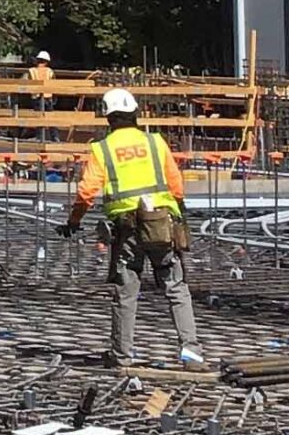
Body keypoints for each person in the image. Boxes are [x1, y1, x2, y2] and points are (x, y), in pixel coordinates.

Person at [61, 89, 202, 368]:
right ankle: (192, 353)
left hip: (127, 231)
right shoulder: (155, 142)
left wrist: (73, 222)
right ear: (135, 114)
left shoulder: (102, 149)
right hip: (161, 223)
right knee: (176, 286)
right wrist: (180, 214)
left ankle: (122, 355)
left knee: (126, 291)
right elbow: (175, 183)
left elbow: (87, 192)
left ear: (109, 117)